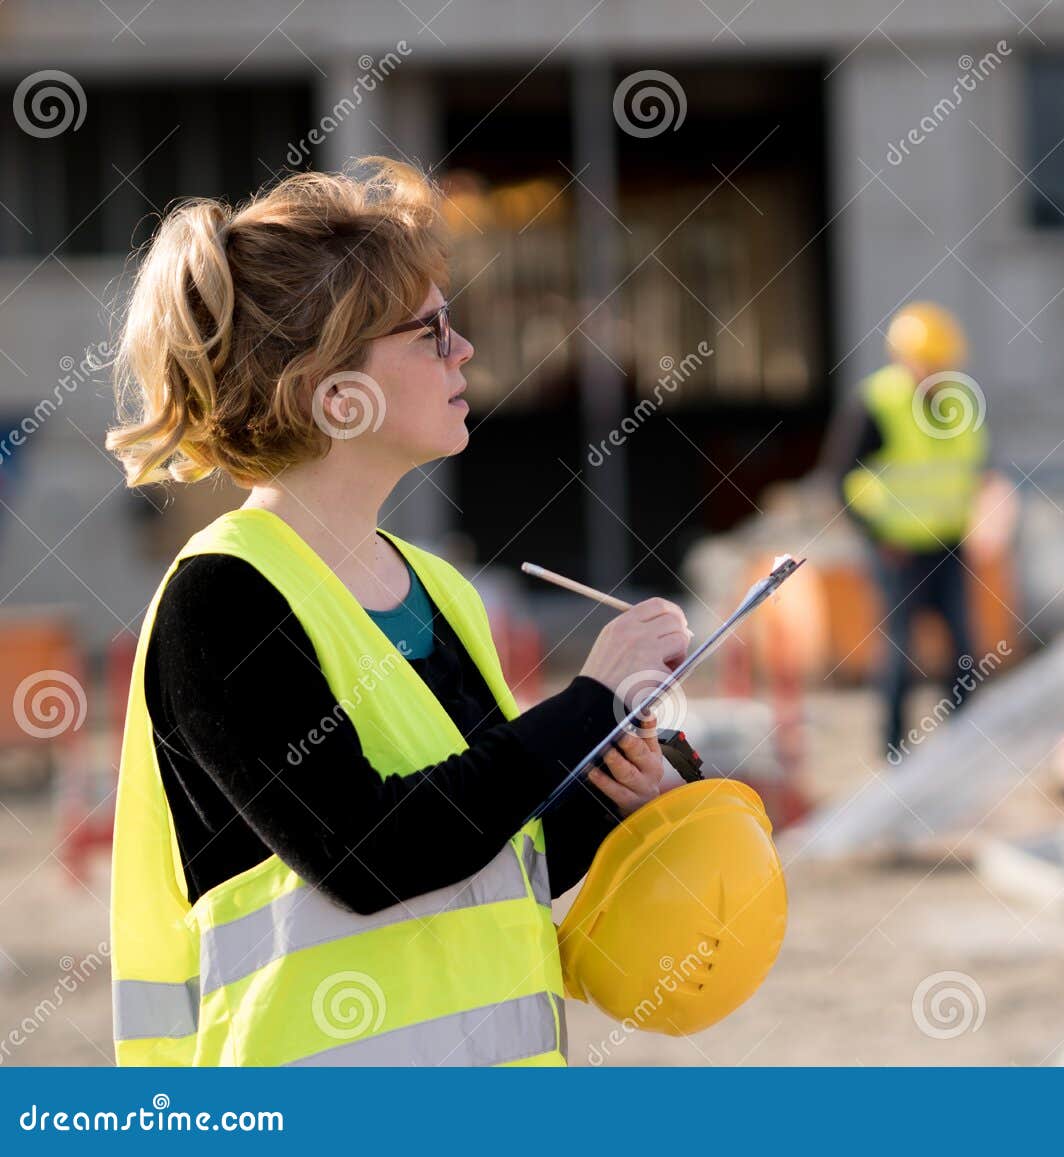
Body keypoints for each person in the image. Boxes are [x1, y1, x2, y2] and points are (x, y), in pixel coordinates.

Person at [105, 158, 692, 1066]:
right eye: (430, 333)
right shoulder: (222, 599)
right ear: (329, 384)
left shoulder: (439, 588)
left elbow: (491, 851)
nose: (464, 352)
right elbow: (368, 854)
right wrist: (584, 706)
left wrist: (620, 779)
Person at [822, 302, 988, 757]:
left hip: (949, 542)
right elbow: (839, 477)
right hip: (897, 550)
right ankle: (894, 749)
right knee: (900, 650)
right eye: (927, 363)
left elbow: (970, 465)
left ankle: (962, 745)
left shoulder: (958, 401)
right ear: (904, 358)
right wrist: (877, 535)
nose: (935, 372)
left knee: (964, 648)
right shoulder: (877, 402)